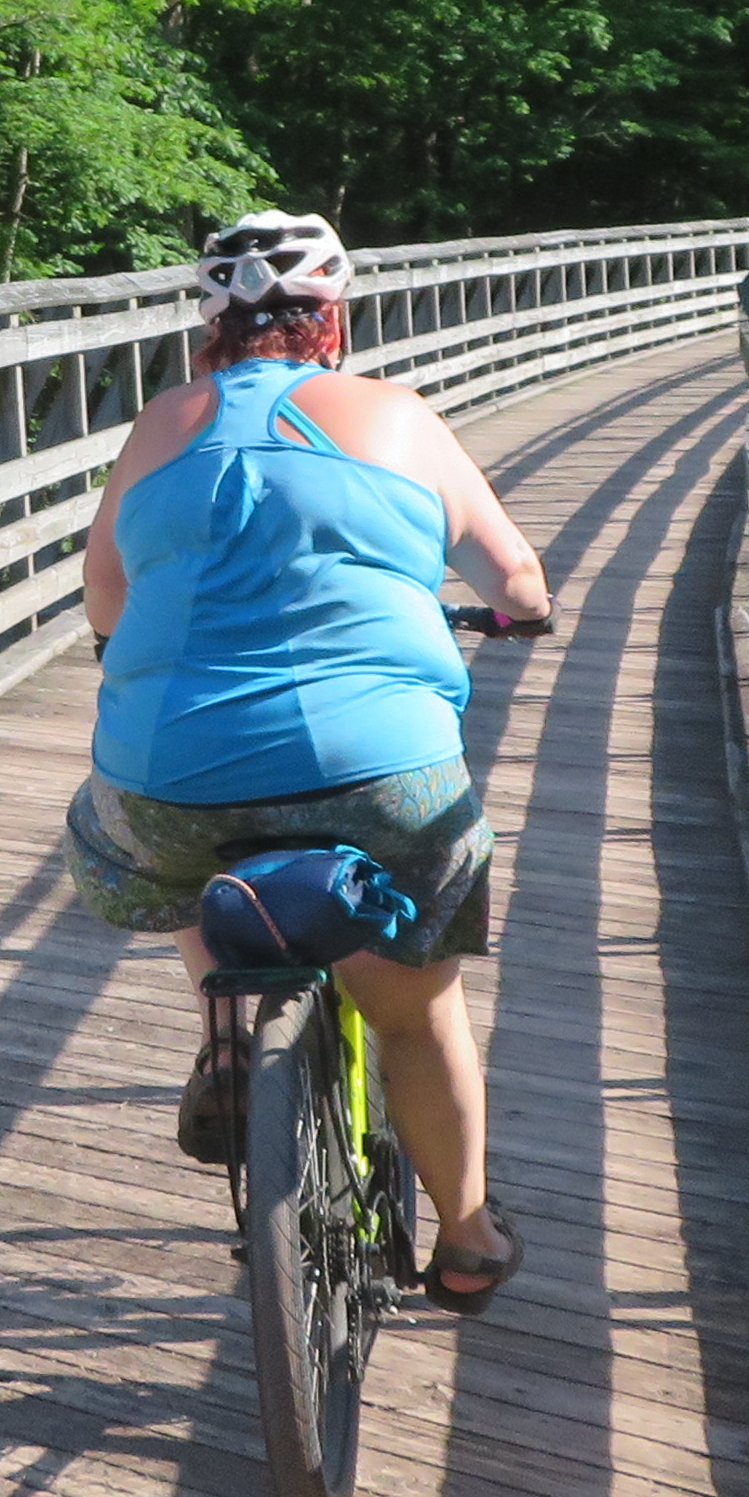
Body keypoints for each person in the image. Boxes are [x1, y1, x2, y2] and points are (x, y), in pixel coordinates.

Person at [63, 210, 555, 1310]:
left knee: (160, 838)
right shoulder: (398, 414)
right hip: (380, 770)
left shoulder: (160, 425)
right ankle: (468, 1240)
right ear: (333, 321)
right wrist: (514, 615)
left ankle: (229, 1036)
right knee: (416, 1008)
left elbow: (105, 596)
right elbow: (515, 581)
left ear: (213, 329)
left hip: (168, 768)